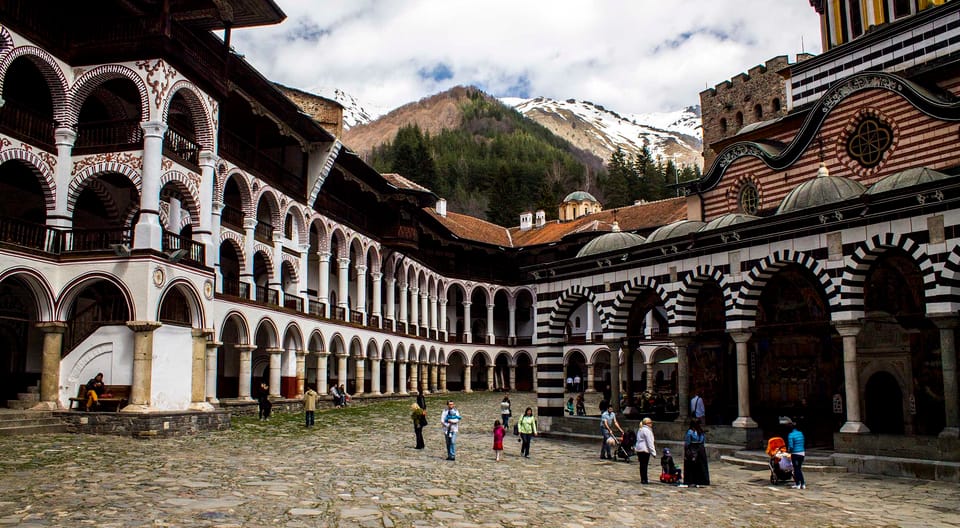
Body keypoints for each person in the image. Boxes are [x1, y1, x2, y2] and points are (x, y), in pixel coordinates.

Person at [683, 418, 710, 487]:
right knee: (695, 465)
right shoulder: (692, 432)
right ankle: (696, 480)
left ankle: (698, 480)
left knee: (698, 465)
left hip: (697, 449)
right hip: (696, 449)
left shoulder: (696, 432)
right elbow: (688, 442)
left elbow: (688, 443)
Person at [634, 417, 657, 484]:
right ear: (647, 423)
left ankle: (643, 478)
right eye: (650, 423)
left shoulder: (640, 429)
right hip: (645, 449)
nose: (651, 424)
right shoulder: (647, 431)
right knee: (644, 465)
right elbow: (650, 442)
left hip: (639, 449)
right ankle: (645, 479)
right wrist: (653, 452)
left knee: (642, 465)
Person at [787, 420, 806, 489]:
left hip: (795, 453)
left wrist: (788, 451)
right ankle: (802, 484)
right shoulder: (800, 433)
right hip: (802, 453)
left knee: (796, 469)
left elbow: (791, 446)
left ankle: (798, 483)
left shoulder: (790, 435)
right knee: (799, 468)